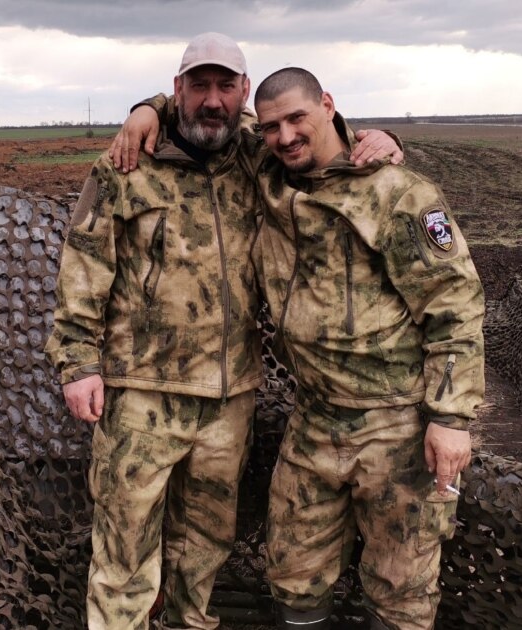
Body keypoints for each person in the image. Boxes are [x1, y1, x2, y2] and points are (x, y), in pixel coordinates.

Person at [49, 33, 401, 630]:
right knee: (124, 547)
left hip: (229, 395)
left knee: (205, 543)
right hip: (141, 394)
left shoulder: (255, 155)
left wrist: (382, 138)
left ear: (241, 94)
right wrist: (78, 364)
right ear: (178, 88)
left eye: (225, 86)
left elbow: (314, 138)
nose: (211, 100)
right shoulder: (126, 164)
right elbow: (83, 270)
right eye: (199, 85)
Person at [113, 68, 484, 629]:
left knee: (401, 585)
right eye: (270, 127)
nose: (284, 136)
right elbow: (205, 110)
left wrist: (452, 417)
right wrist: (148, 108)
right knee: (292, 570)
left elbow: (454, 303)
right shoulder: (268, 169)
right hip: (312, 419)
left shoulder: (397, 193)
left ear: (329, 105)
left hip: (393, 421)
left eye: (297, 119)